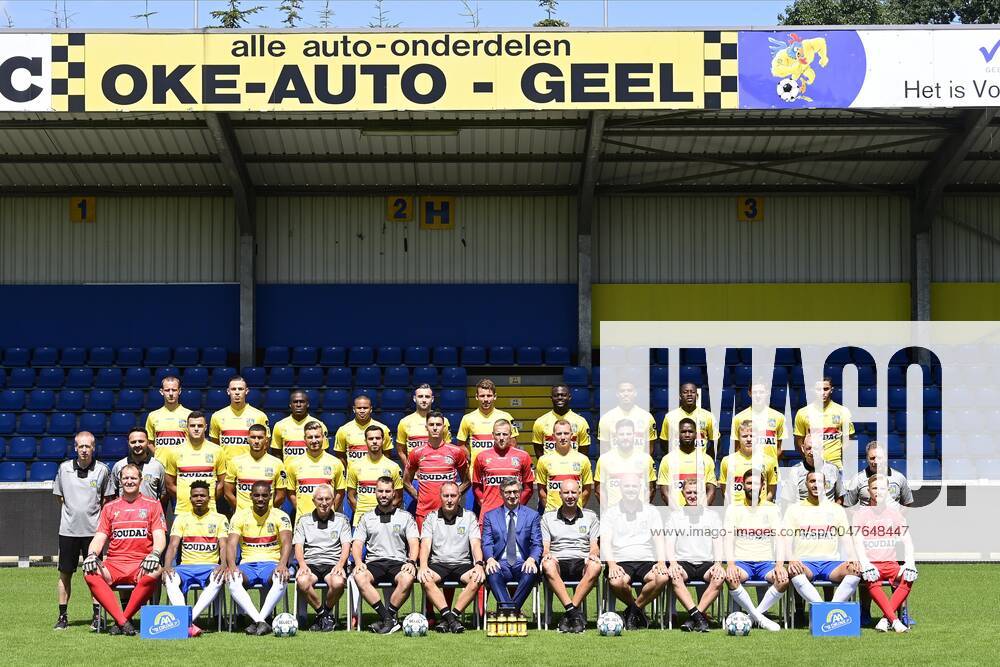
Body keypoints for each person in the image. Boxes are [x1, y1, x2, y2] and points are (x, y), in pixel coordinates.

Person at [82, 464, 166, 636]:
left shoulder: (153, 505)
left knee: (156, 569)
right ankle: (123, 621)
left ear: (141, 480)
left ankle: (121, 620)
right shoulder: (110, 507)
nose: (129, 481)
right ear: (120, 481)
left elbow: (159, 535)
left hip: (140, 563)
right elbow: (99, 537)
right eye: (125, 478)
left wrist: (155, 554)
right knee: (89, 571)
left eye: (133, 478)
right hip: (114, 564)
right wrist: (91, 555)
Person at [53, 431, 114, 632]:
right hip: (68, 531)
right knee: (65, 574)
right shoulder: (64, 469)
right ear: (75, 448)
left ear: (94, 448)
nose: (84, 450)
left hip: (94, 533)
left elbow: (106, 499)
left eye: (88, 446)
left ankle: (97, 616)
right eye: (81, 446)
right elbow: (60, 497)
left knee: (95, 574)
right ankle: (62, 616)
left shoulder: (103, 470)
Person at [351, 476, 420, 634]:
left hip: (398, 562)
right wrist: (358, 562)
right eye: (380, 491)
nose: (383, 495)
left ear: (394, 493)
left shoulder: (405, 517)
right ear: (375, 492)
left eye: (387, 491)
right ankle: (389, 619)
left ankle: (386, 619)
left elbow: (414, 542)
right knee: (360, 576)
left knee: (407, 577)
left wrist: (411, 562)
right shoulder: (366, 518)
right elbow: (357, 544)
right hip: (374, 563)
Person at [783, 470, 861, 608]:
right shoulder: (794, 509)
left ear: (825, 485)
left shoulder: (836, 509)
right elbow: (786, 540)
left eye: (819, 481)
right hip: (805, 563)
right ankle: (822, 609)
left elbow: (846, 538)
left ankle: (830, 608)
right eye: (812, 481)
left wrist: (852, 557)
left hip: (831, 563)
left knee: (855, 570)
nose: (816, 485)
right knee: (794, 570)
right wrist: (791, 559)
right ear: (806, 484)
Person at [161, 480, 230, 637]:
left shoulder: (220, 518)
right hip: (185, 567)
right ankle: (187, 622)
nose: (199, 498)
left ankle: (186, 620)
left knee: (218, 578)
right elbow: (173, 545)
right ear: (190, 498)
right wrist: (167, 566)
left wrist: (223, 564)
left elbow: (224, 546)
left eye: (202, 495)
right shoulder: (181, 518)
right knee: (170, 578)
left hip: (210, 566)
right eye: (195, 496)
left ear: (209, 498)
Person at [226, 480, 294, 636]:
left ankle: (257, 621)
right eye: (256, 495)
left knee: (281, 577)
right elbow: (231, 544)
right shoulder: (240, 516)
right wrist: (232, 566)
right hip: (247, 565)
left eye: (264, 495)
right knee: (232, 579)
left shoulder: (281, 516)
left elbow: (287, 542)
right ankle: (261, 621)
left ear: (270, 496)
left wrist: (282, 564)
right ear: (250, 496)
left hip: (271, 564)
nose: (260, 499)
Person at [724, 468, 787, 632]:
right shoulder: (733, 508)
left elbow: (780, 539)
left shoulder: (772, 508)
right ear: (743, 486)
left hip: (766, 564)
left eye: (756, 483)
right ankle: (760, 618)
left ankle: (752, 617)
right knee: (730, 577)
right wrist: (730, 564)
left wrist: (779, 565)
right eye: (749, 483)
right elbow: (728, 539)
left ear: (763, 486)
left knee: (783, 580)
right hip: (742, 563)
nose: (752, 486)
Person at [417, 482, 486, 633]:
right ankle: (452, 620)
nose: (449, 500)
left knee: (477, 578)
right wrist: (423, 566)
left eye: (453, 496)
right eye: (446, 496)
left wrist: (479, 564)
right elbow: (425, 545)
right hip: (438, 563)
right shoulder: (431, 518)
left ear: (459, 497)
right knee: (425, 578)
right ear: (440, 497)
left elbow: (475, 544)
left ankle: (449, 618)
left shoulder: (469, 517)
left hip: (463, 564)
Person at [852, 475, 917, 633]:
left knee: (909, 576)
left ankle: (885, 619)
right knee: (870, 578)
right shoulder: (860, 514)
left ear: (887, 490)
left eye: (882, 488)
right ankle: (895, 621)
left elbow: (907, 541)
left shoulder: (895, 514)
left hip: (891, 564)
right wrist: (865, 564)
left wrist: (910, 562)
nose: (878, 492)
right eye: (874, 488)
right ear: (868, 491)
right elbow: (857, 542)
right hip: (871, 564)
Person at [602, 477, 669, 630]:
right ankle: (637, 610)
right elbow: (605, 542)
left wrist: (660, 562)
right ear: (620, 488)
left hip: (647, 560)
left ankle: (632, 611)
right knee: (616, 582)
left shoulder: (652, 511)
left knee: (663, 577)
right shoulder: (610, 512)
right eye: (627, 486)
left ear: (640, 489)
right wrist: (611, 564)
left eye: (634, 486)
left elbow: (659, 539)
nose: (631, 489)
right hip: (620, 561)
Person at [540, 479, 601, 634]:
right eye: (566, 492)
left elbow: (594, 546)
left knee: (596, 566)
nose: (570, 496)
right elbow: (545, 547)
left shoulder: (591, 516)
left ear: (579, 493)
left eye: (573, 492)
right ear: (560, 494)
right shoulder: (547, 518)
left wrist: (593, 554)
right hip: (558, 561)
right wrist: (547, 554)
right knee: (547, 564)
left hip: (582, 560)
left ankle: (569, 613)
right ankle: (574, 613)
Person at [665, 479, 726, 632]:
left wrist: (718, 563)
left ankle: (693, 618)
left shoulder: (713, 516)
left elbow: (718, 542)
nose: (692, 496)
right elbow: (669, 544)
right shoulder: (675, 516)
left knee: (719, 576)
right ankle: (699, 617)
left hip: (706, 564)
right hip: (683, 563)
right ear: (683, 493)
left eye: (696, 492)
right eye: (689, 492)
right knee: (674, 575)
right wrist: (673, 563)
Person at [293, 484, 351, 632]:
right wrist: (302, 564)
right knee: (302, 581)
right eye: (320, 499)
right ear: (313, 501)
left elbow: (346, 546)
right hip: (310, 563)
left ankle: (322, 616)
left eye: (327, 499)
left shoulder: (342, 520)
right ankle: (325, 616)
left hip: (333, 563)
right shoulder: (303, 520)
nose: (324, 503)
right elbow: (298, 546)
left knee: (338, 583)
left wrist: (340, 564)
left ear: (333, 500)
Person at [482, 479, 542, 619]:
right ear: (501, 493)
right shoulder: (490, 516)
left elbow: (537, 543)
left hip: (523, 562)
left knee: (531, 571)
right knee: (491, 571)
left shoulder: (532, 515)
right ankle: (513, 612)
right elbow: (486, 542)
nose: (512, 495)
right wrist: (490, 559)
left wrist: (532, 559)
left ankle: (507, 612)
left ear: (520, 492)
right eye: (508, 492)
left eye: (515, 491)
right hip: (500, 562)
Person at [403, 410, 470, 529]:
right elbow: (406, 482)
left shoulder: (456, 452)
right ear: (426, 427)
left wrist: (454, 496)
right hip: (424, 513)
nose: (435, 428)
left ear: (444, 427)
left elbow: (467, 481)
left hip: (449, 514)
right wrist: (419, 497)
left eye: (438, 425)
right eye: (431, 424)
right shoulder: (416, 453)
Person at [164, 411, 225, 516]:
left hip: (210, 511)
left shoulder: (217, 450)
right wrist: (183, 496)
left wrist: (211, 497)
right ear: (187, 428)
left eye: (200, 426)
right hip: (182, 511)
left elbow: (222, 482)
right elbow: (169, 484)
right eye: (192, 426)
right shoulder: (174, 451)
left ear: (205, 427)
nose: (196, 429)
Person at [472, 419, 534, 517]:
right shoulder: (481, 457)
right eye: (498, 434)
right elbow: (476, 486)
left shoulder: (523, 456)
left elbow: (528, 488)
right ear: (493, 435)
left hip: (513, 515)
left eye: (505, 434)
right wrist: (484, 504)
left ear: (510, 435)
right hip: (488, 514)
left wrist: (517, 506)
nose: (501, 438)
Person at [285, 420, 347, 516]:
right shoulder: (293, 464)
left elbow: (340, 491)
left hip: (328, 520)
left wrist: (330, 511)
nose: (314, 441)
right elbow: (290, 492)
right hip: (303, 520)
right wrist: (301, 512)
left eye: (317, 436)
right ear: (305, 439)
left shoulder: (336, 463)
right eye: (310, 437)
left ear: (323, 438)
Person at [793, 377, 854, 471]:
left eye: (826, 389)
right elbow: (799, 441)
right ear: (813, 390)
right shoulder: (803, 413)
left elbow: (848, 440)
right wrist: (809, 458)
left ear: (831, 390)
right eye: (818, 389)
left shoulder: (843, 411)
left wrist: (838, 457)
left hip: (836, 465)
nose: (822, 392)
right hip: (811, 466)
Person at [224, 423, 287, 512]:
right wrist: (240, 510)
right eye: (253, 437)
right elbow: (227, 493)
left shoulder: (277, 463)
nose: (256, 441)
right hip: (242, 516)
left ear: (266, 440)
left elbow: (281, 496)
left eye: (260, 438)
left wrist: (268, 511)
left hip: (267, 517)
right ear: (247, 439)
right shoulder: (235, 462)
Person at [347, 425, 403, 526]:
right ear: (365, 441)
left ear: (383, 440)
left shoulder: (393, 467)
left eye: (377, 438)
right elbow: (351, 496)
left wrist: (385, 513)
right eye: (371, 438)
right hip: (361, 521)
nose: (374, 441)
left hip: (386, 521)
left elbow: (398, 498)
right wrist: (363, 514)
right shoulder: (354, 466)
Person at [209, 375, 269, 466]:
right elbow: (215, 446)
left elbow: (265, 445)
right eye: (233, 389)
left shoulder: (259, 416)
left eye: (240, 389)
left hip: (251, 467)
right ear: (228, 391)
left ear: (246, 391)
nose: (237, 392)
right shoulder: (217, 416)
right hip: (226, 468)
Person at [535, 419, 593, 512]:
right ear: (553, 436)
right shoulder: (543, 460)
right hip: (552, 513)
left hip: (575, 514)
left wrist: (575, 509)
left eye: (566, 433)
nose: (562, 437)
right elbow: (541, 491)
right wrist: (551, 512)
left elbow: (586, 490)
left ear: (571, 435)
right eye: (559, 434)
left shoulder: (583, 460)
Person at [457, 379, 518, 467]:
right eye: (482, 396)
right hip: (476, 471)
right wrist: (471, 462)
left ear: (495, 396)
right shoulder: (467, 418)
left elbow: (513, 444)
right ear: (477, 397)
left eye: (489, 396)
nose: (485, 399)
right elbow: (461, 445)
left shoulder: (507, 417)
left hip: (500, 468)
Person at [657, 417, 717, 507]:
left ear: (696, 434)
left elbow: (711, 490)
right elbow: (665, 492)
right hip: (676, 512)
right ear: (677, 434)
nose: (687, 434)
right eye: (683, 432)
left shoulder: (706, 459)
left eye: (690, 431)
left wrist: (700, 510)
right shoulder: (667, 459)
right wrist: (678, 512)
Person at [594, 419, 656, 505]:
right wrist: (608, 510)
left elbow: (651, 489)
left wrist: (642, 507)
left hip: (639, 511)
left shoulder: (646, 459)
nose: (625, 437)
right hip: (613, 511)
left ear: (634, 435)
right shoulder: (604, 459)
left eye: (628, 434)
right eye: (621, 434)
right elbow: (599, 490)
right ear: (616, 436)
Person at [719, 420, 778, 505]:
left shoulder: (770, 461)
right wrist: (733, 508)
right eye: (744, 436)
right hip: (736, 510)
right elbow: (725, 491)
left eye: (752, 436)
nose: (749, 439)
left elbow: (771, 491)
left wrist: (761, 507)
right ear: (738, 438)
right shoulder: (727, 461)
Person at [395, 384, 452, 468]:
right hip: (415, 473)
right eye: (420, 396)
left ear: (432, 399)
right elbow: (400, 450)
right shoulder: (404, 422)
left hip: (437, 469)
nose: (424, 400)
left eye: (427, 397)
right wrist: (409, 468)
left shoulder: (443, 421)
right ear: (414, 398)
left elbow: (448, 448)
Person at [844, 440, 914, 507]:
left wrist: (897, 515)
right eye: (872, 458)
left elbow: (907, 502)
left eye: (879, 458)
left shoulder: (899, 478)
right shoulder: (858, 479)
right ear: (867, 459)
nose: (876, 461)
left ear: (885, 458)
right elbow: (849, 505)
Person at [597, 381, 657, 456]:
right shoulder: (606, 418)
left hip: (639, 462)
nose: (626, 394)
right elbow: (604, 447)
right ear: (617, 394)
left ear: (635, 393)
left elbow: (650, 446)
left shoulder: (647, 417)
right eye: (622, 391)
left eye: (629, 390)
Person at [531, 384, 591, 459]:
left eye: (563, 395)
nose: (560, 398)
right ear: (551, 398)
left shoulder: (581, 422)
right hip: (550, 466)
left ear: (569, 397)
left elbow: (584, 451)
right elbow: (538, 450)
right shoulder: (540, 422)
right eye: (556, 395)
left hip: (572, 465)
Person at [333, 394, 392, 469]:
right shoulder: (343, 430)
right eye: (359, 408)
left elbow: (387, 454)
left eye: (365, 408)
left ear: (371, 409)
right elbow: (340, 455)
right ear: (354, 409)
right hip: (353, 474)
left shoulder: (383, 429)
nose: (362, 411)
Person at [784, 431, 844, 503]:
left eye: (815, 448)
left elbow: (840, 497)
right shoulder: (795, 471)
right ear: (803, 448)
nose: (812, 452)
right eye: (809, 448)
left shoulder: (833, 469)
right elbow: (788, 500)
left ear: (822, 449)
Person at [661, 382, 718, 458]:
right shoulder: (670, 417)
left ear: (697, 396)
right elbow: (664, 442)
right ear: (680, 396)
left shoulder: (708, 416)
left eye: (693, 392)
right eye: (685, 392)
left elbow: (715, 441)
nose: (689, 394)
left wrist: (707, 458)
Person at [730, 381, 784, 460]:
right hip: (746, 466)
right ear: (749, 393)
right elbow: (737, 447)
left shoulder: (779, 417)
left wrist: (770, 463)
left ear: (767, 393)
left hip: (771, 466)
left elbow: (781, 448)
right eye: (755, 392)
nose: (758, 395)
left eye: (761, 392)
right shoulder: (738, 418)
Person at [144, 375, 191, 465]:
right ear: (161, 392)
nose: (171, 393)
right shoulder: (153, 416)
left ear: (179, 391)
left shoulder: (189, 415)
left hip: (182, 464)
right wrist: (158, 456)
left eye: (174, 390)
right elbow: (149, 442)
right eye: (167, 390)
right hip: (160, 465)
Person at [111, 428, 166, 501]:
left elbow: (163, 493)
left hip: (149, 508)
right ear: (128, 443)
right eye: (133, 442)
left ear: (148, 442)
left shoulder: (157, 466)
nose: (137, 445)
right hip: (125, 508)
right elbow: (113, 493)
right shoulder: (119, 466)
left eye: (141, 441)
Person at [271, 390, 328, 460]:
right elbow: (276, 454)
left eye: (302, 402)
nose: (298, 405)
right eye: (295, 402)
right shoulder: (280, 425)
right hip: (288, 467)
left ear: (307, 404)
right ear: (290, 405)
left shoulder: (319, 425)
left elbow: (325, 453)